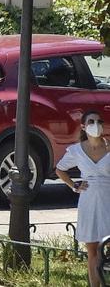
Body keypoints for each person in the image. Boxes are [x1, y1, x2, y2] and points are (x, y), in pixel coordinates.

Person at [55, 111, 109, 287]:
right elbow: (60, 169)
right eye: (91, 121)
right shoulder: (77, 150)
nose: (96, 125)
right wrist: (74, 185)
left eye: (99, 121)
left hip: (107, 199)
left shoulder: (109, 147)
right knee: (92, 249)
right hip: (88, 201)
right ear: (83, 127)